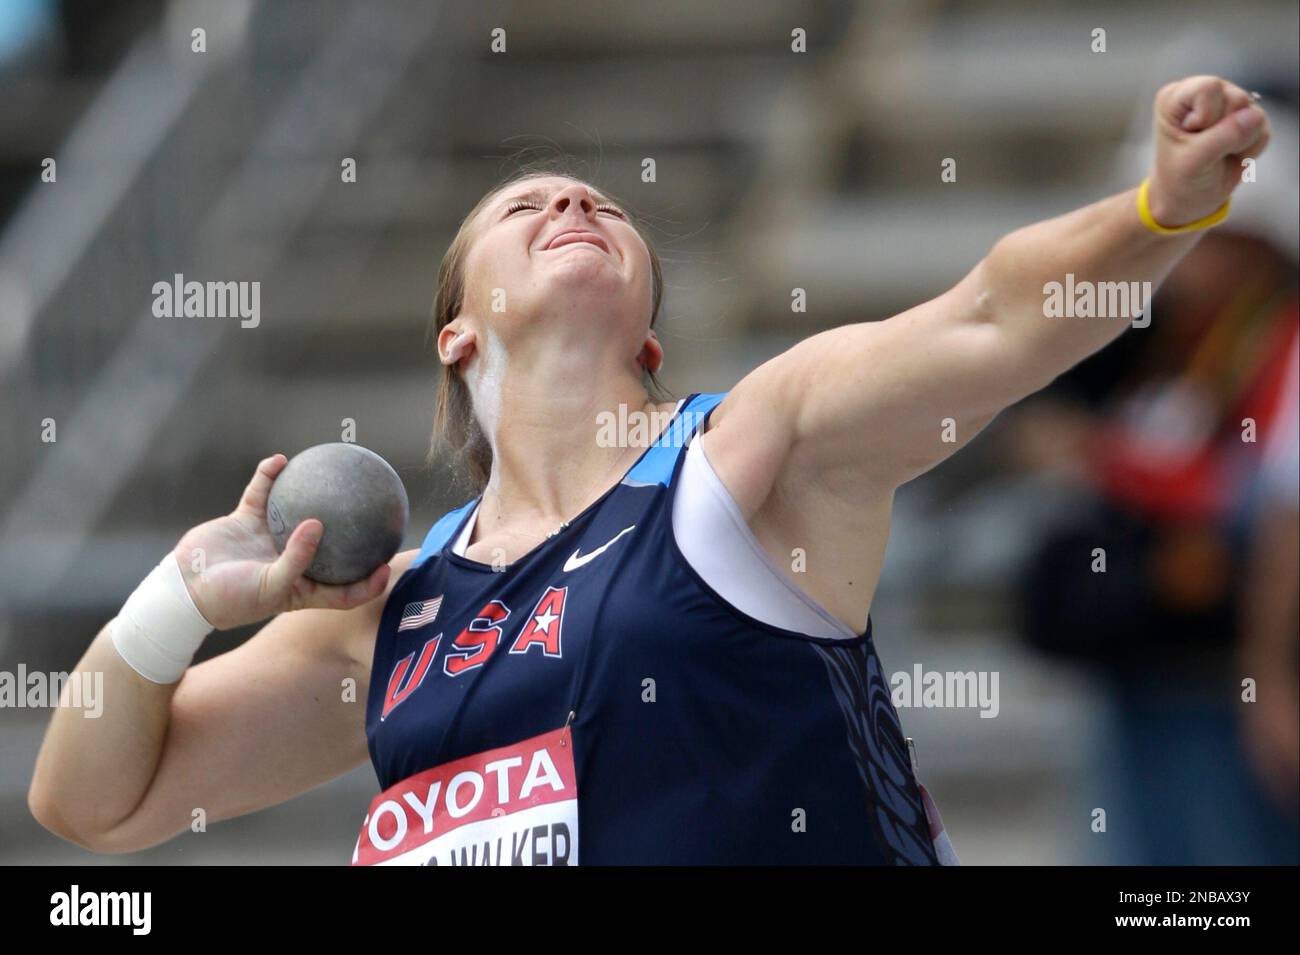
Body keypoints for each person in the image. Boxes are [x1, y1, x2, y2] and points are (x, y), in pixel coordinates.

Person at [29, 76, 1271, 865]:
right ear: (457, 331)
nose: (573, 199)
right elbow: (91, 802)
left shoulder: (748, 459)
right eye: (526, 210)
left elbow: (990, 319)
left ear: (649, 333)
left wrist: (1155, 213)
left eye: (601, 208)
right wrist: (182, 598)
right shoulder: (390, 618)